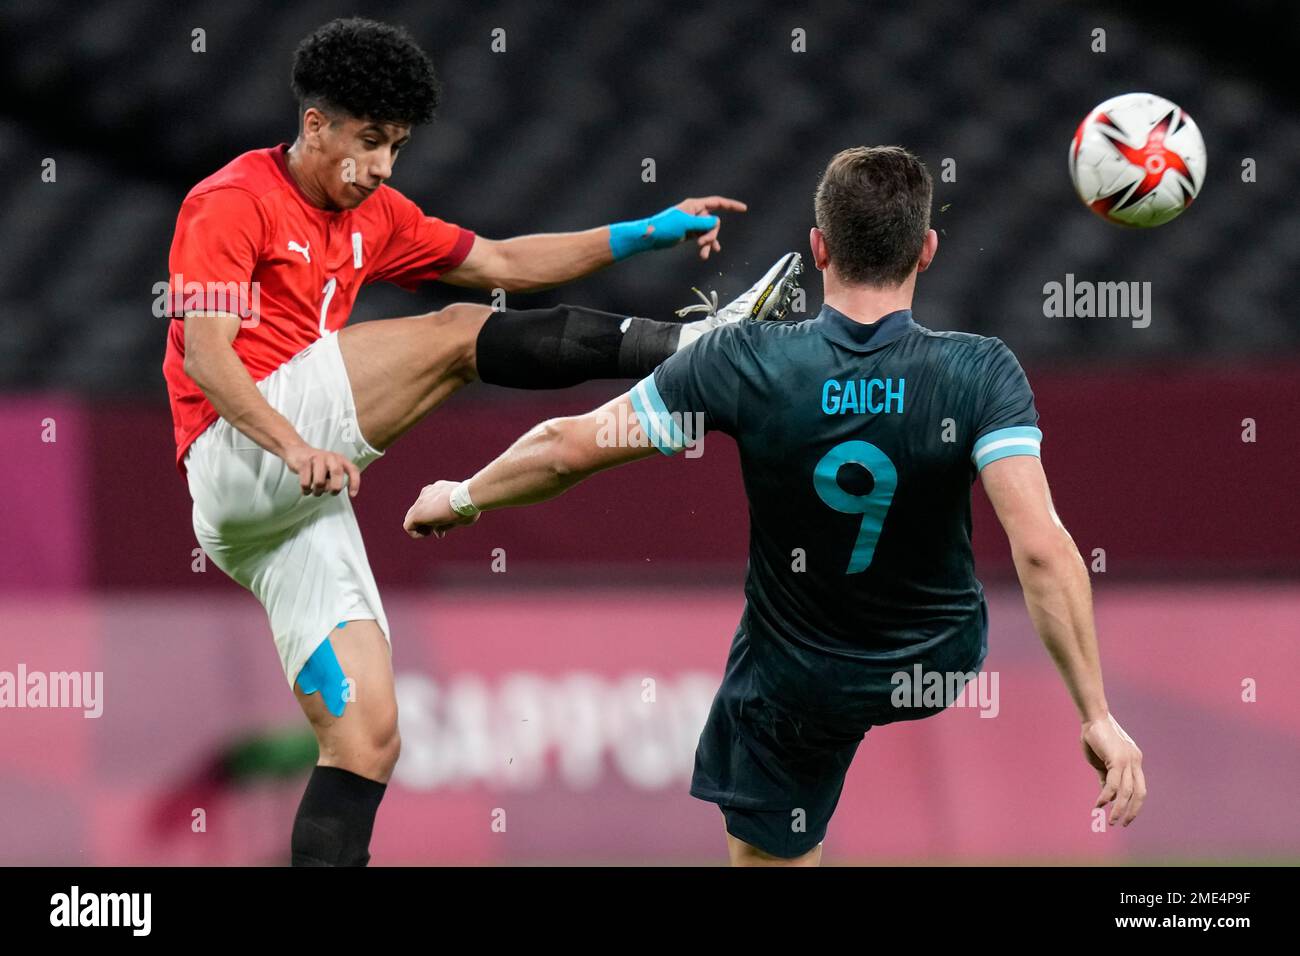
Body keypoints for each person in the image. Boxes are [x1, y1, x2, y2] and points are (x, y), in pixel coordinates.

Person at [164, 16, 802, 866]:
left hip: (275, 523)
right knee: (459, 334)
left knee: (366, 740)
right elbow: (207, 356)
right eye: (369, 142)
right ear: (315, 124)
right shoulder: (229, 203)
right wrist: (290, 445)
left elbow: (504, 260)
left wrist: (648, 230)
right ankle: (695, 346)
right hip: (241, 452)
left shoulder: (376, 211)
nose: (385, 166)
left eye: (396, 145)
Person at [402, 145, 1147, 867]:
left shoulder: (743, 361)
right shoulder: (982, 370)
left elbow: (569, 446)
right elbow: (1042, 547)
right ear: (927, 250)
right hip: (939, 657)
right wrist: (1097, 715)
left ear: (818, 248)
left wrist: (461, 496)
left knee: (771, 839)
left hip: (799, 681)